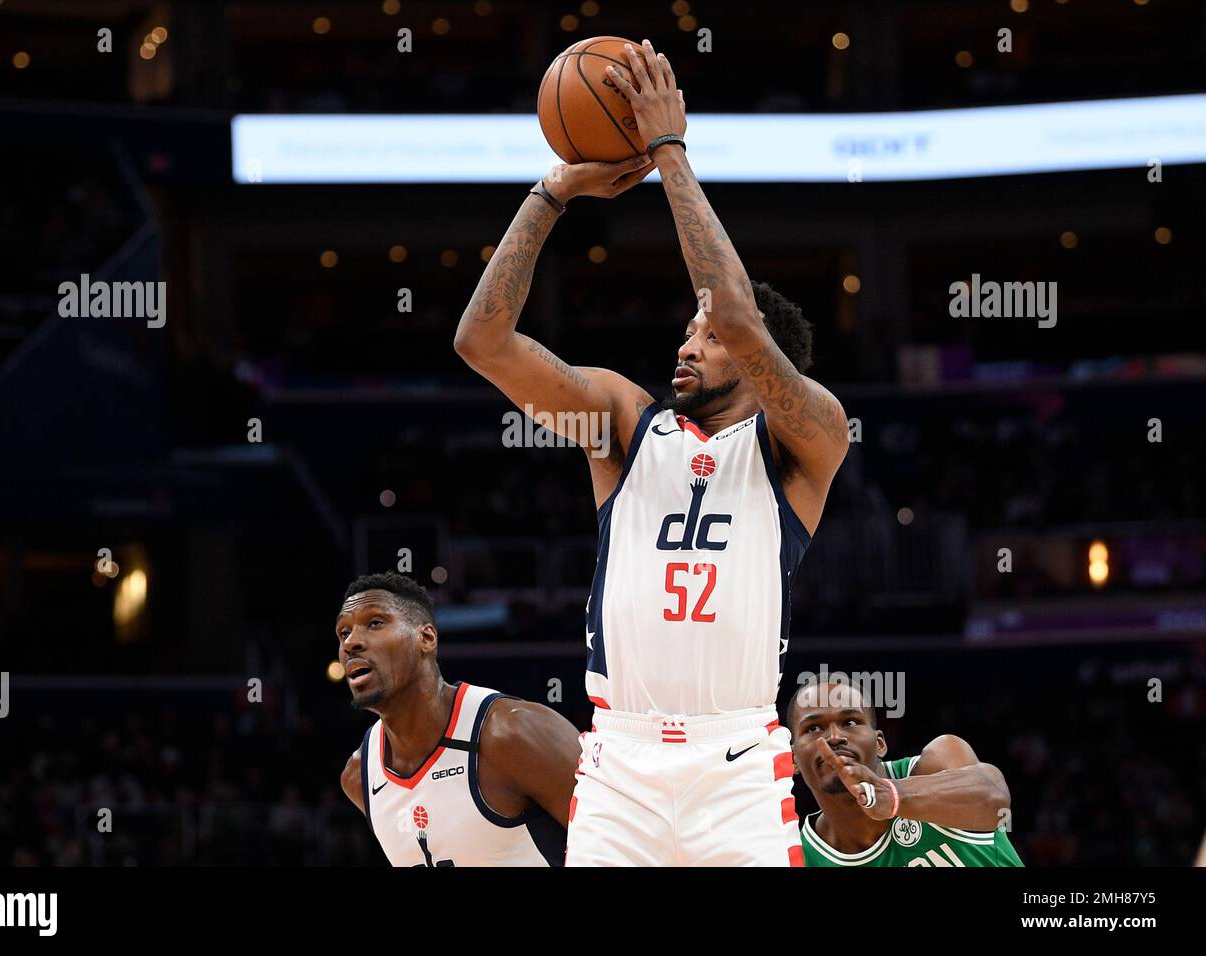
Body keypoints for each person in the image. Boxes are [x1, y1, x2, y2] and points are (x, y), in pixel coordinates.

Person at [455, 38, 849, 865]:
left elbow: (739, 316)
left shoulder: (806, 441)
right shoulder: (626, 427)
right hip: (620, 763)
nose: (688, 343)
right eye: (687, 330)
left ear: (757, 356)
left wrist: (670, 153)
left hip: (736, 761)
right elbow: (481, 341)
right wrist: (552, 190)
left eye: (703, 335)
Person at [337, 572, 580, 866]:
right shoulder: (359, 776)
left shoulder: (513, 732)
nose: (351, 642)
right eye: (343, 633)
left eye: (374, 623)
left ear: (426, 638)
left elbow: (624, 844)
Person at [789, 677, 1023, 867]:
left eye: (850, 722)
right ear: (794, 759)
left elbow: (995, 799)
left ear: (880, 743)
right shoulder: (800, 860)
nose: (834, 737)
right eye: (814, 728)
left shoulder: (935, 763)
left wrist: (893, 796)